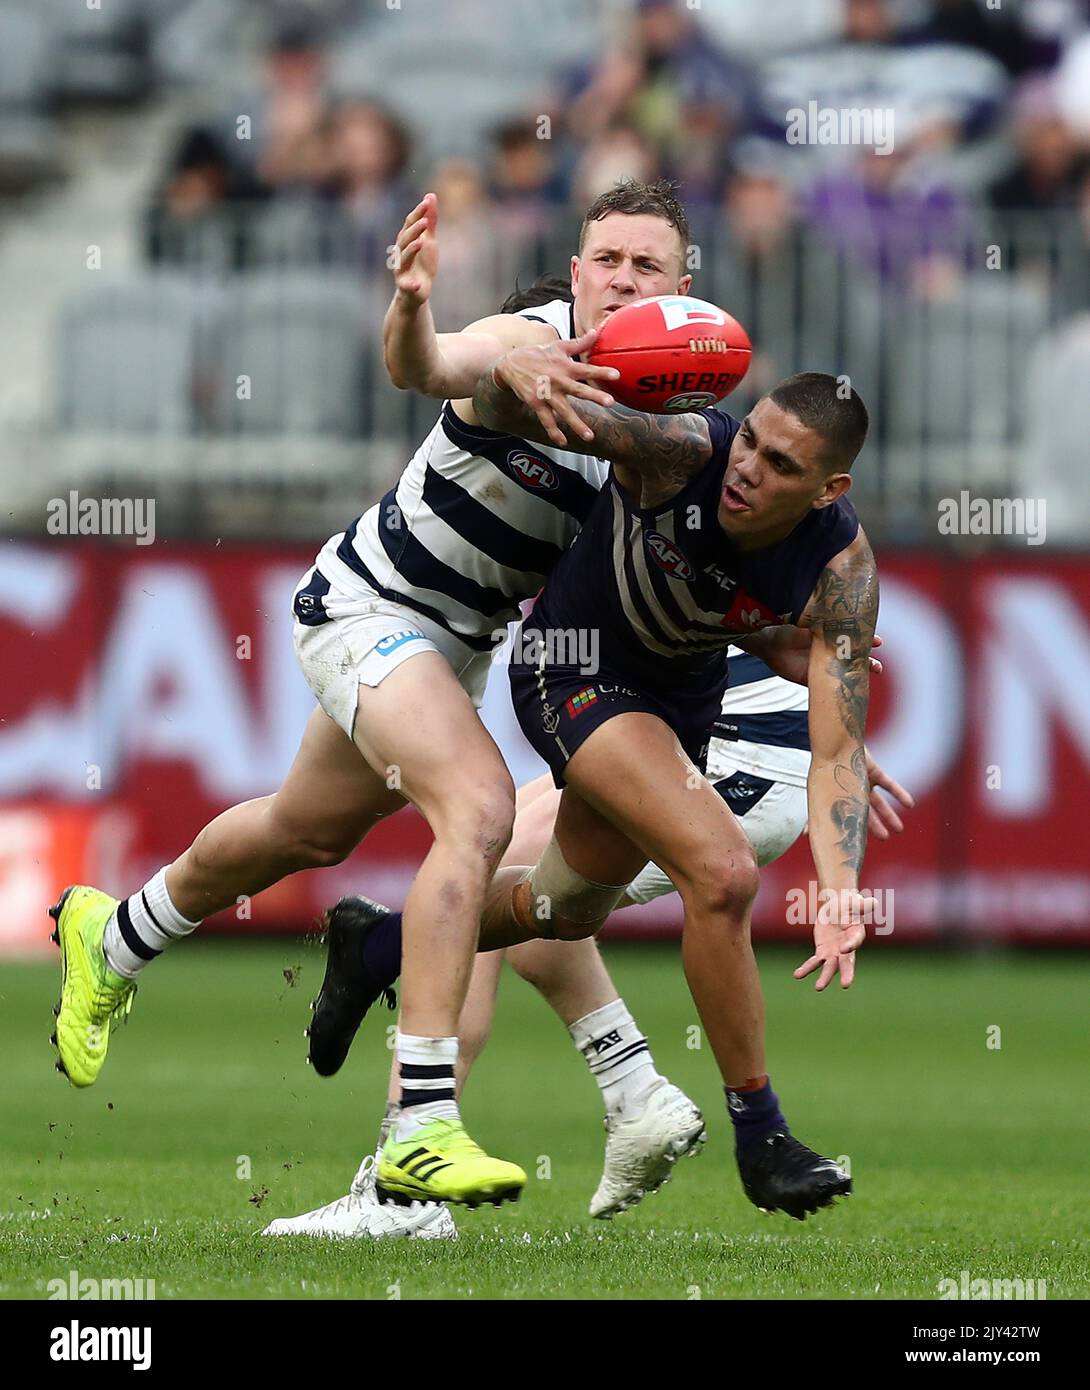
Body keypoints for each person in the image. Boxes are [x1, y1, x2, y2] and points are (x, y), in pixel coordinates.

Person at [48, 179, 751, 1211]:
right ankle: (421, 1123)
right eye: (606, 260)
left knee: (302, 830)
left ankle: (111, 935)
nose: (622, 280)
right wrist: (413, 303)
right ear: (575, 272)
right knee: (480, 807)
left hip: (451, 649)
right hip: (366, 607)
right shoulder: (531, 343)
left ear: (684, 291)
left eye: (647, 266)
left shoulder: (674, 426)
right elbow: (425, 366)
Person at [293, 361, 880, 1220]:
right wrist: (486, 356)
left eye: (782, 466)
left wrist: (841, 893)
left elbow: (836, 753)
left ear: (831, 489)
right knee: (721, 874)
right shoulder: (684, 451)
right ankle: (763, 1137)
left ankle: (375, 948)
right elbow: (550, 413)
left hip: (676, 703)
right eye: (750, 439)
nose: (750, 467)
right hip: (571, 668)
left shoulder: (845, 574)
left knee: (560, 911)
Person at [265, 652, 912, 1239]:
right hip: (713, 738)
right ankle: (634, 1092)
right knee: (542, 900)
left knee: (487, 872)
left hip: (724, 753)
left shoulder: (672, 524)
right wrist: (825, 739)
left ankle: (400, 1194)